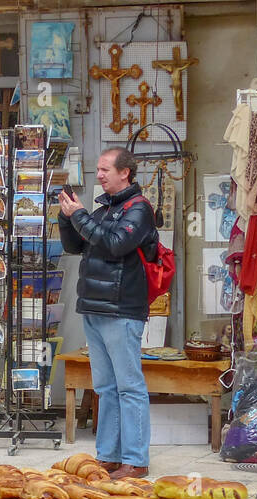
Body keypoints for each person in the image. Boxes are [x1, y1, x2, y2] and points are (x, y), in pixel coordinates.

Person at [57, 147, 159, 479]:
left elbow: (115, 244)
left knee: (129, 387)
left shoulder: (140, 210)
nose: (98, 175)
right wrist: (66, 216)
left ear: (124, 173)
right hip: (95, 308)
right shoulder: (103, 209)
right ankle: (109, 457)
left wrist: (80, 215)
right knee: (105, 387)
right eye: (98, 170)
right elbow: (76, 246)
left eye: (104, 170)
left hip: (121, 310)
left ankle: (136, 460)